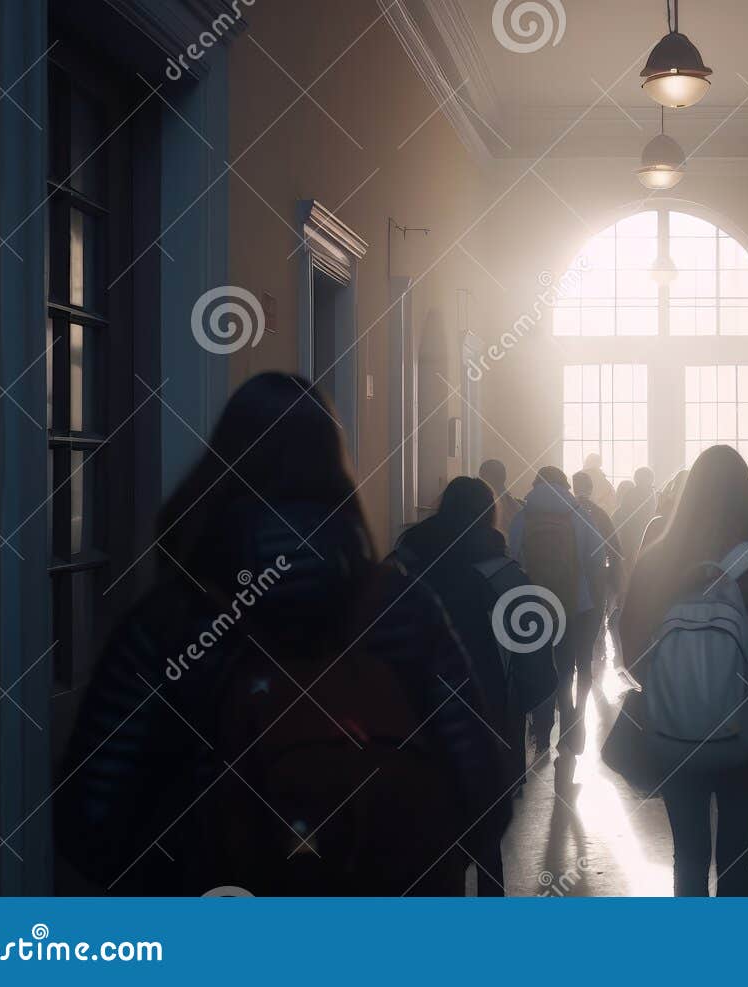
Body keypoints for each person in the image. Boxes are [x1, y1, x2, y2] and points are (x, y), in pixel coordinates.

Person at [57, 373, 503, 896]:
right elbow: (483, 789)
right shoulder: (402, 612)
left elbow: (88, 820)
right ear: (337, 470)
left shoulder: (169, 624)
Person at [618, 445, 748, 896]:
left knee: (689, 855)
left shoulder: (657, 560)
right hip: (746, 736)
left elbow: (632, 650)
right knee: (738, 856)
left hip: (674, 734)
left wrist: (676, 682)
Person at [390, 476, 555, 895]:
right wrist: (530, 711)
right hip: (487, 718)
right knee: (485, 836)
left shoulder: (404, 565)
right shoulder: (506, 576)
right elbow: (535, 657)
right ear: (489, 514)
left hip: (411, 721)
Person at [509, 466, 605, 759]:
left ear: (536, 484)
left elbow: (512, 556)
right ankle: (569, 723)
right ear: (565, 484)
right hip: (573, 601)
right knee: (566, 666)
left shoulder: (523, 516)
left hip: (533, 604)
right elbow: (596, 559)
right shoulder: (578, 513)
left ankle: (541, 730)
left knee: (538, 663)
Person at [573, 469, 623, 620]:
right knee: (595, 626)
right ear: (591, 489)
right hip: (596, 576)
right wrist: (615, 582)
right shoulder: (600, 514)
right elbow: (615, 549)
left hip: (568, 576)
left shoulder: (563, 510)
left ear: (574, 488)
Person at [480, 459, 523, 533]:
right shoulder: (516, 506)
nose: (480, 481)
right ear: (504, 477)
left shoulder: (482, 504)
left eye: (481, 476)